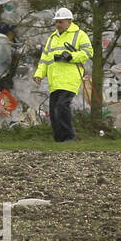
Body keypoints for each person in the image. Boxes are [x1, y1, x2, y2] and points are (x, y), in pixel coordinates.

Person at [33, 8, 93, 142]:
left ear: (69, 21)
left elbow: (88, 52)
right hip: (54, 80)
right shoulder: (52, 38)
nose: (58, 25)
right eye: (56, 22)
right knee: (54, 111)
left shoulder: (80, 35)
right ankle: (59, 139)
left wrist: (71, 56)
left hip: (70, 78)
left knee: (62, 106)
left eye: (60, 22)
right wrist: (39, 74)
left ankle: (69, 137)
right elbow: (44, 59)